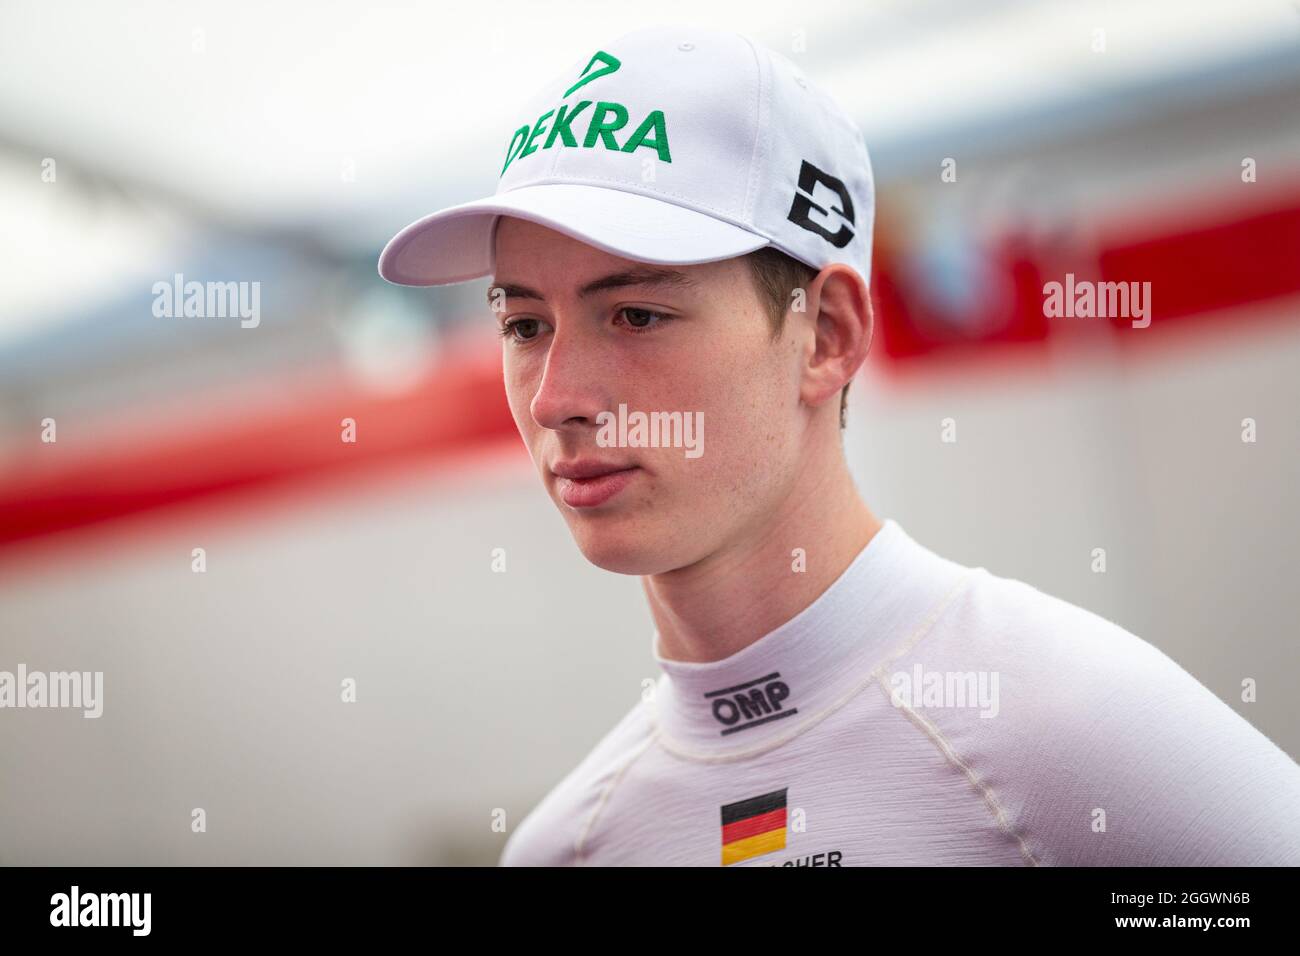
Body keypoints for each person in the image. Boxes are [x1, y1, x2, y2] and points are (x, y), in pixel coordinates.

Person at [379, 24, 1300, 866]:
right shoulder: (566, 846)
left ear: (825, 334)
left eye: (636, 313)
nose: (556, 399)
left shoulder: (1073, 724)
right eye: (524, 324)